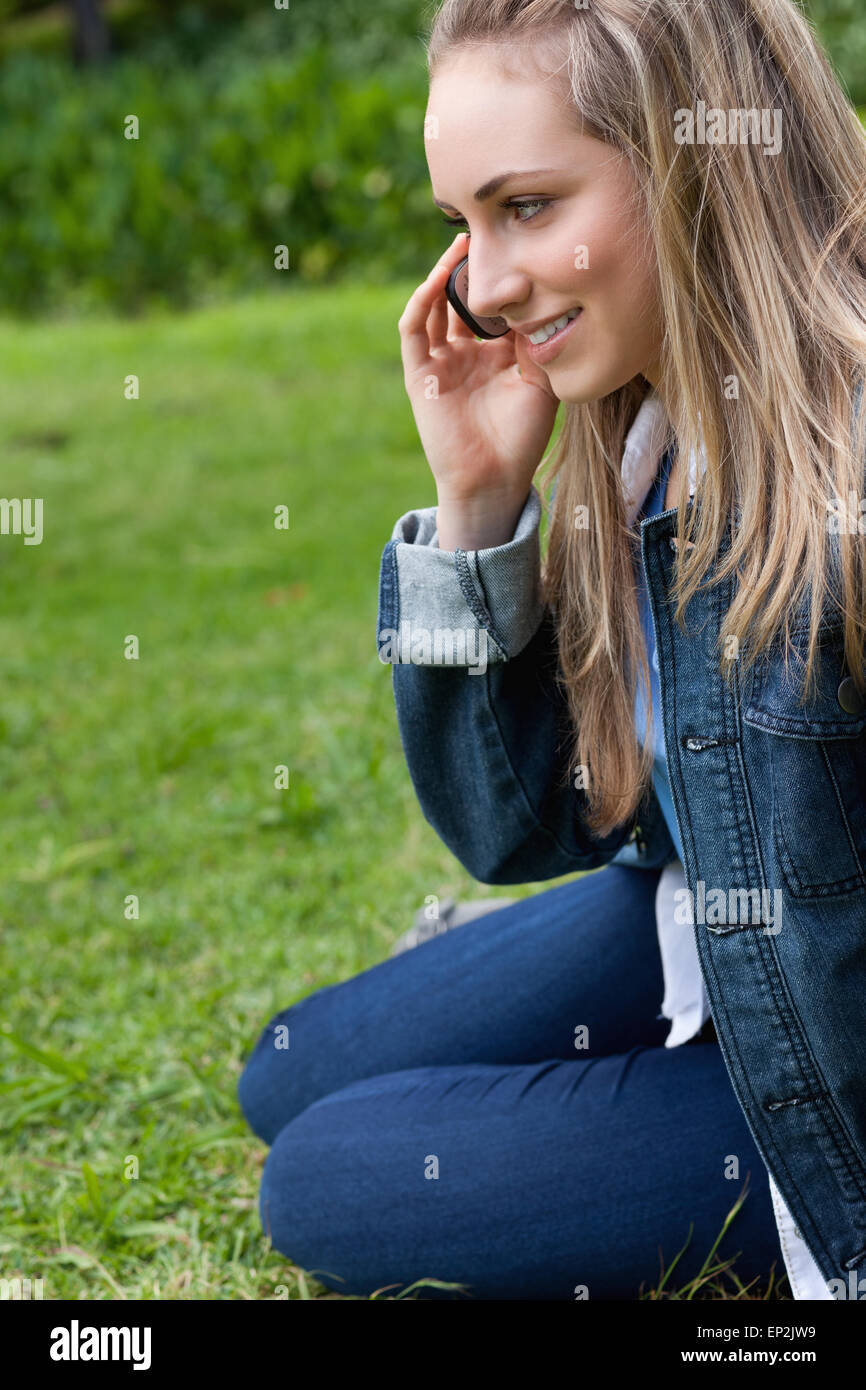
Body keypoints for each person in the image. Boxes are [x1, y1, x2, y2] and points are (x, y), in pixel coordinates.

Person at [238, 0, 866, 1300]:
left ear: (696, 162)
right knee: (286, 1068)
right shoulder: (648, 430)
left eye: (524, 205)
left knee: (321, 1174)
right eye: (460, 222)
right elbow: (523, 827)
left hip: (825, 1077)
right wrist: (476, 510)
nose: (478, 284)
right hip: (711, 914)